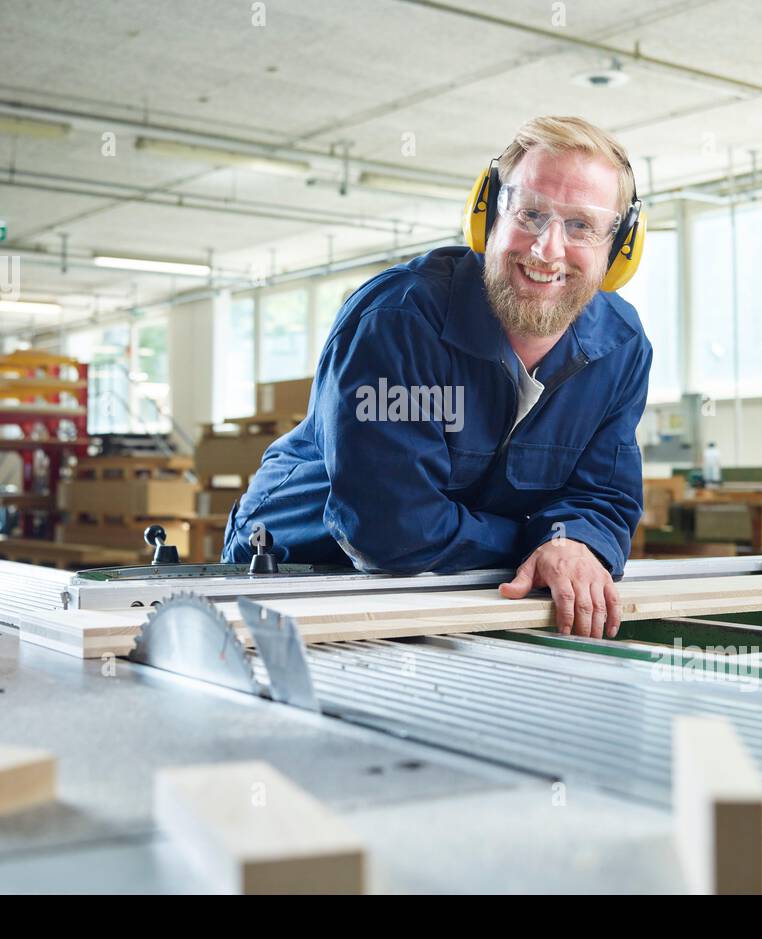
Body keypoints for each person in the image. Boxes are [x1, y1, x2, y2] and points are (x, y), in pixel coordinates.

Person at [224, 115, 652, 639]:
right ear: (488, 214)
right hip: (293, 573)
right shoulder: (400, 323)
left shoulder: (621, 349)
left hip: (465, 586)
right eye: (531, 213)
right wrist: (538, 545)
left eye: (581, 225)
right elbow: (392, 530)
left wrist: (575, 543)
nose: (547, 249)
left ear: (621, 247)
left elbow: (603, 497)